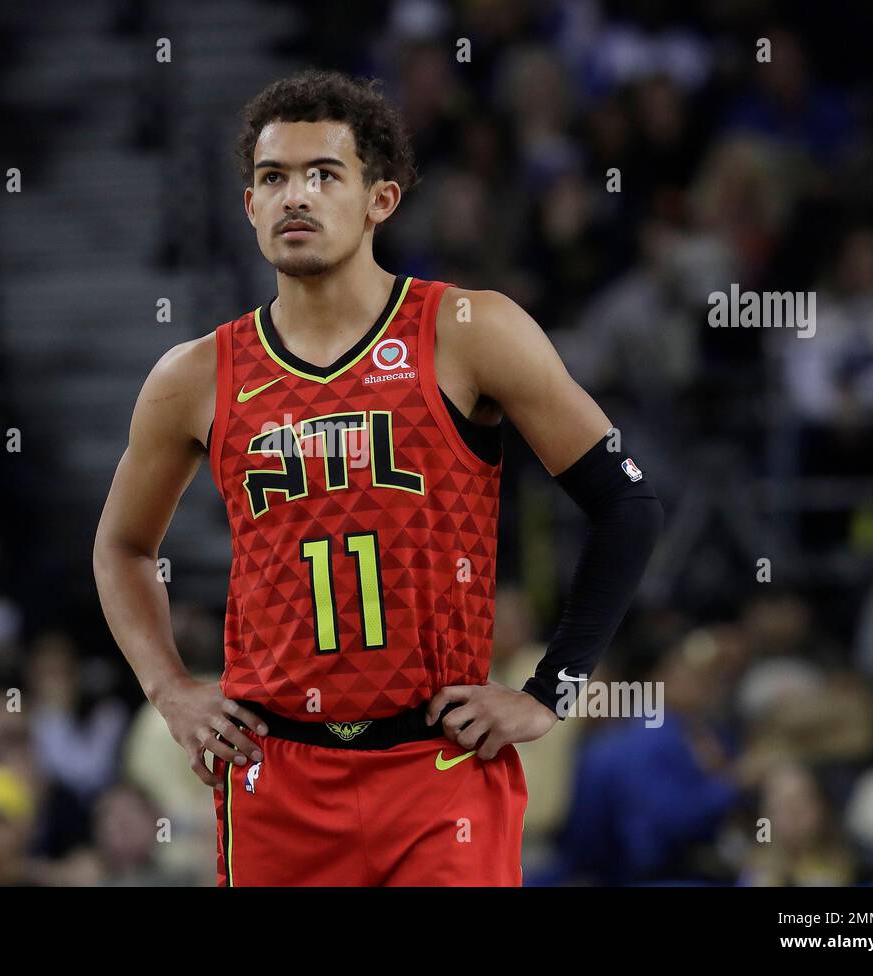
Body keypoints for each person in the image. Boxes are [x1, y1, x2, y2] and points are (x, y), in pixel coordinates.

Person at [93, 70, 663, 886]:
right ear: (250, 206)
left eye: (324, 174)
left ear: (380, 201)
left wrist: (549, 691)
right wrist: (170, 690)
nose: (296, 195)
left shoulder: (470, 330)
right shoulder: (194, 376)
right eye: (273, 178)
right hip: (275, 771)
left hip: (438, 764)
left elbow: (627, 505)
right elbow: (120, 548)